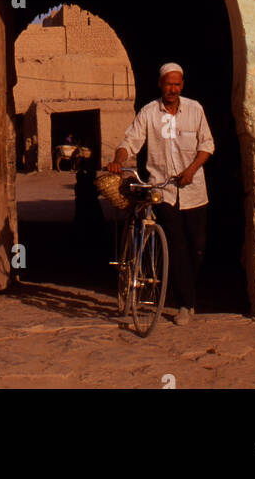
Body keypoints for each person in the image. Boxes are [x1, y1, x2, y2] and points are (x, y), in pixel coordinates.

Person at [106, 62, 214, 326]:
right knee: (175, 245)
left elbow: (207, 144)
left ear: (182, 85)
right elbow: (130, 141)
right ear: (160, 84)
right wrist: (119, 159)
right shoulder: (149, 113)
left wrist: (191, 170)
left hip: (194, 190)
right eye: (169, 84)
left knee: (197, 247)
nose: (173, 89)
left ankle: (187, 289)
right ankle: (186, 305)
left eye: (177, 84)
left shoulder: (195, 109)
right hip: (162, 190)